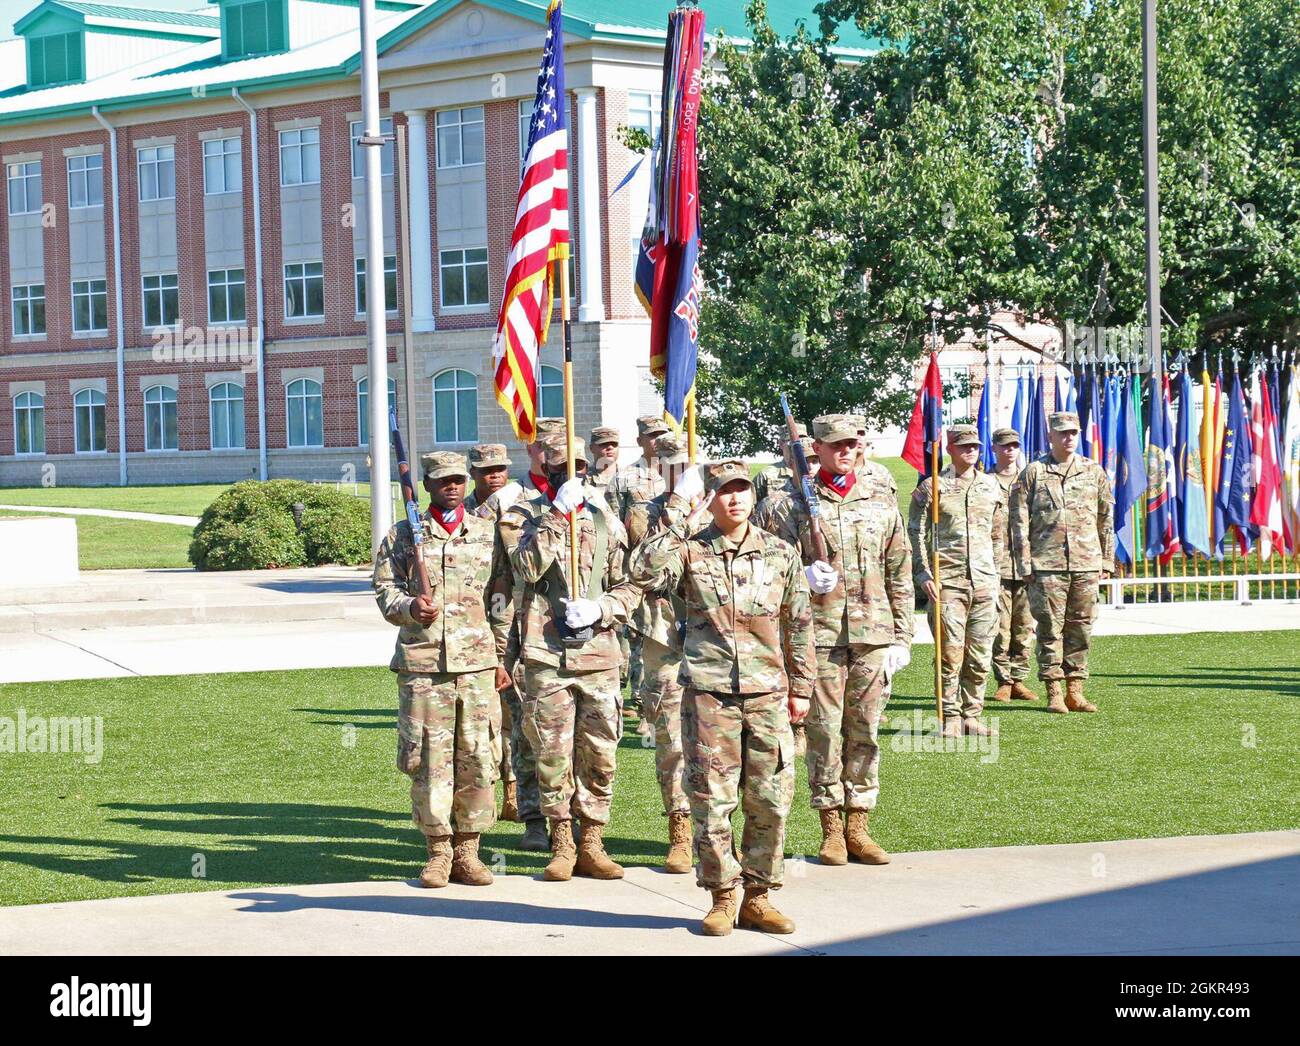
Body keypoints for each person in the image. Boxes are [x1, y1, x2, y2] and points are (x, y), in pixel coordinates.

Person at [632, 459, 816, 936]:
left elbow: (798, 623)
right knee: (712, 801)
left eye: (741, 490)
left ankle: (759, 896)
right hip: (709, 694)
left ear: (752, 497)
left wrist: (802, 687)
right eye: (723, 491)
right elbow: (643, 572)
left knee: (769, 799)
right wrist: (677, 513)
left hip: (768, 693)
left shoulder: (780, 553)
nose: (734, 498)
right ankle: (721, 895)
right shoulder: (690, 553)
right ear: (709, 498)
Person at [763, 414, 913, 868]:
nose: (845, 451)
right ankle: (830, 825)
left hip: (872, 633)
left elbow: (899, 573)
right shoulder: (788, 507)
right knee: (823, 732)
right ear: (818, 449)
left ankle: (858, 824)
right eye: (836, 445)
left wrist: (903, 637)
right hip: (818, 636)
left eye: (852, 444)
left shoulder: (881, 504)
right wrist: (802, 576)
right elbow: (767, 572)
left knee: (864, 731)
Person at [507, 437, 645, 881]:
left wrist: (603, 608)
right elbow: (524, 570)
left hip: (600, 655)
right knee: (551, 754)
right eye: (562, 465)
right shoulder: (520, 516)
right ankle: (561, 840)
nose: (572, 473)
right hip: (545, 656)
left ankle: (592, 841)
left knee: (600, 755)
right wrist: (555, 518)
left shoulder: (606, 520)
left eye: (579, 466)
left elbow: (630, 586)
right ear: (544, 467)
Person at [372, 450, 511, 888]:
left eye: (457, 479)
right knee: (429, 759)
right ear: (428, 486)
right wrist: (410, 606)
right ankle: (437, 852)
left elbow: (503, 600)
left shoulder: (487, 535)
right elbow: (384, 590)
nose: (451, 486)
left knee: (477, 755)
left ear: (466, 483)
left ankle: (469, 851)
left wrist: (503, 657)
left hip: (476, 665)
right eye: (441, 480)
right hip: (424, 665)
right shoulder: (402, 536)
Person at [1010, 411, 1115, 713]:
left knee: (1081, 628)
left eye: (1073, 433)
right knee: (1049, 629)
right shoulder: (1033, 473)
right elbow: (1018, 521)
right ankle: (1053, 690)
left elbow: (1105, 518)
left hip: (1086, 562)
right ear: (1051, 436)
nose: (1069, 438)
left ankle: (1075, 689)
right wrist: (1024, 563)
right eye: (1063, 433)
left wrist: (1106, 560)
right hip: (1047, 565)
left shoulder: (1093, 471)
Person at [908, 424, 1006, 737]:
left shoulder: (990, 486)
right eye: (963, 446)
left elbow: (998, 533)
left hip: (984, 581)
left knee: (980, 654)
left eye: (975, 446)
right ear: (948, 448)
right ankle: (948, 716)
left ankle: (972, 715)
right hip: (946, 581)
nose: (970, 451)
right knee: (950, 654)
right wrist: (923, 573)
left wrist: (997, 573)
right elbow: (915, 532)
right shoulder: (932, 486)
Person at [625, 432, 694, 873]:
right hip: (664, 635)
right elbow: (645, 569)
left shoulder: (721, 505)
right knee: (672, 737)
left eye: (686, 465)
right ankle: (681, 830)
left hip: (716, 637)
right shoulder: (645, 512)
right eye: (671, 465)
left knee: (723, 741)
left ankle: (721, 829)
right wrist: (677, 510)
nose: (680, 472)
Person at [464, 443, 530, 824]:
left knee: (517, 710)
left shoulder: (521, 504)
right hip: (476, 617)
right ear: (474, 473)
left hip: (516, 614)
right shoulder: (468, 512)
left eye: (500, 468)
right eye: (486, 469)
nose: (495, 475)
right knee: (488, 714)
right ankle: (491, 787)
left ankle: (517, 791)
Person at [988, 428, 1038, 703]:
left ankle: (1019, 679)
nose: (1010, 450)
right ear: (994, 448)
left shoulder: (1029, 480)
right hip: (996, 564)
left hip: (1026, 565)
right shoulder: (985, 482)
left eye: (1014, 446)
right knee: (1000, 627)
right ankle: (1003, 680)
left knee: (1024, 626)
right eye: (1005, 446)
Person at [752, 422, 807, 506]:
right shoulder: (767, 475)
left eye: (802, 441)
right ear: (781, 443)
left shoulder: (814, 470)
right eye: (792, 441)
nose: (798, 446)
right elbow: (752, 506)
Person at [587, 426, 622, 501]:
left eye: (614, 444)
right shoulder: (583, 480)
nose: (610, 447)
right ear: (591, 448)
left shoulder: (629, 477)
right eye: (604, 444)